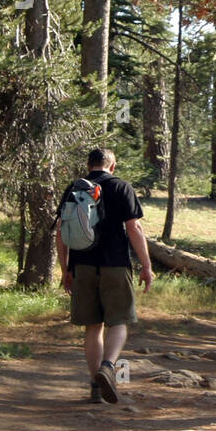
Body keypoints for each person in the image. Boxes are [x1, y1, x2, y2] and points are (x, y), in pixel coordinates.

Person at [56, 148, 153, 404]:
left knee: (93, 326)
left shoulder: (74, 188)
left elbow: (60, 232)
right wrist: (146, 265)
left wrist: (65, 269)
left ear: (89, 165)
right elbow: (134, 227)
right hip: (115, 264)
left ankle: (95, 388)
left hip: (82, 265)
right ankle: (108, 367)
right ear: (113, 165)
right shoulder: (122, 187)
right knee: (119, 322)